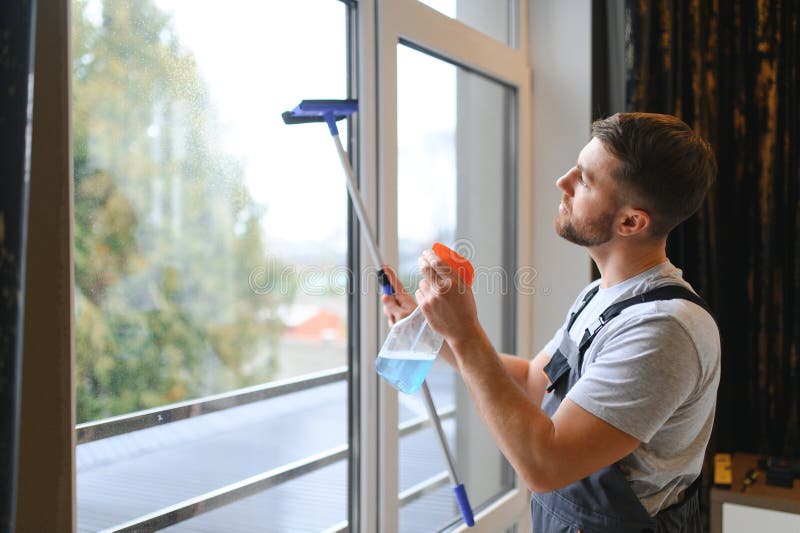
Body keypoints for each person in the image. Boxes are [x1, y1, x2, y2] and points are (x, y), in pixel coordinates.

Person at [381, 112, 720, 532]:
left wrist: (466, 333)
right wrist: (435, 328)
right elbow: (528, 382)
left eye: (585, 179)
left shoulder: (664, 329)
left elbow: (545, 464)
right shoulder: (600, 297)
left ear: (631, 221)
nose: (563, 181)